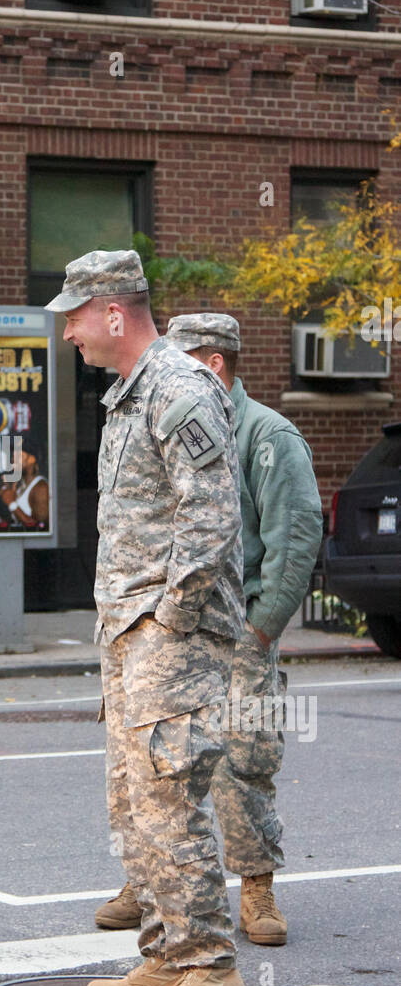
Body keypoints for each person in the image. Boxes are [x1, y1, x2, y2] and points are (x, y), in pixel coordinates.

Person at [47, 249, 247, 986]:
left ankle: (209, 965)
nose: (69, 332)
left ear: (114, 314)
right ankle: (165, 956)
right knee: (134, 800)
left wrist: (172, 617)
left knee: (170, 795)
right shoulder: (131, 394)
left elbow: (211, 516)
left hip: (170, 634)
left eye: (75, 317)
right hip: (129, 631)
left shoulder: (180, 387)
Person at [97, 314, 323, 945]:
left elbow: (295, 537)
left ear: (213, 363)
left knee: (243, 762)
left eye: (182, 355)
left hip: (237, 626)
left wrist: (262, 628)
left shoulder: (267, 434)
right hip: (175, 629)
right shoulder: (168, 416)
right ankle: (147, 885)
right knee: (153, 762)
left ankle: (256, 886)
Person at [0, 433, 50, 528]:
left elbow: (41, 528)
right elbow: (19, 523)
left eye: (18, 454)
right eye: (13, 454)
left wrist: (12, 503)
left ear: (32, 459)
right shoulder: (20, 488)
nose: (13, 459)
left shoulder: (41, 488)